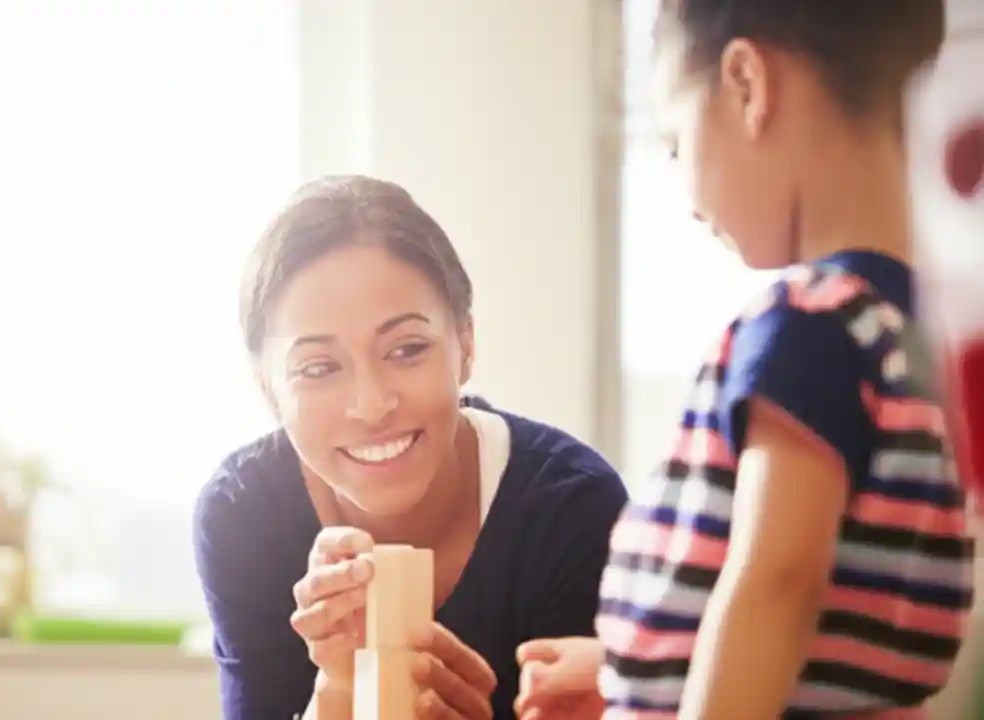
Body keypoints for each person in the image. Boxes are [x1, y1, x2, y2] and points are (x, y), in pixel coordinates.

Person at [515, 1, 975, 718]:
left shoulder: (810, 324)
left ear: (746, 85)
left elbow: (777, 583)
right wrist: (625, 670)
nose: (689, 200)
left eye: (675, 139)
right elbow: (836, 628)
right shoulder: (926, 341)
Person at [192, 175, 627, 719]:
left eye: (406, 349)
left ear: (465, 345)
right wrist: (341, 689)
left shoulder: (571, 508)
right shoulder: (244, 516)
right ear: (268, 390)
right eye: (319, 368)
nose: (371, 405)